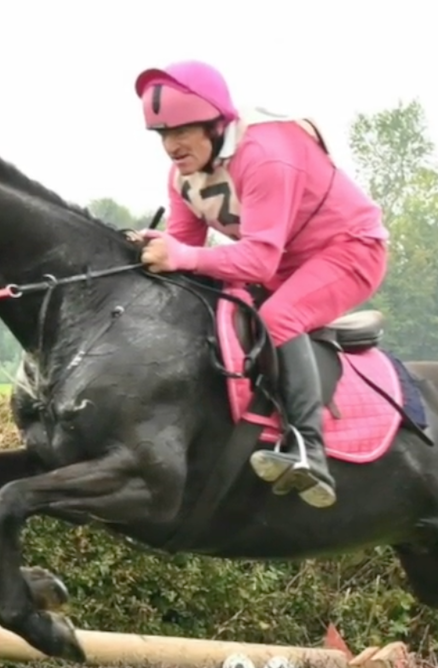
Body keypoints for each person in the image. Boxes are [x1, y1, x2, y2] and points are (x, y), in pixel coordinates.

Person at [131, 59, 390, 509]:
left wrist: (182, 255)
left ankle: (309, 450)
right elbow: (186, 256)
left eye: (182, 131)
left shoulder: (264, 154)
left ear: (216, 124)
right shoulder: (182, 180)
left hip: (350, 251)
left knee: (277, 316)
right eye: (162, 135)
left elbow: (257, 258)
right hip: (285, 266)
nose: (171, 146)